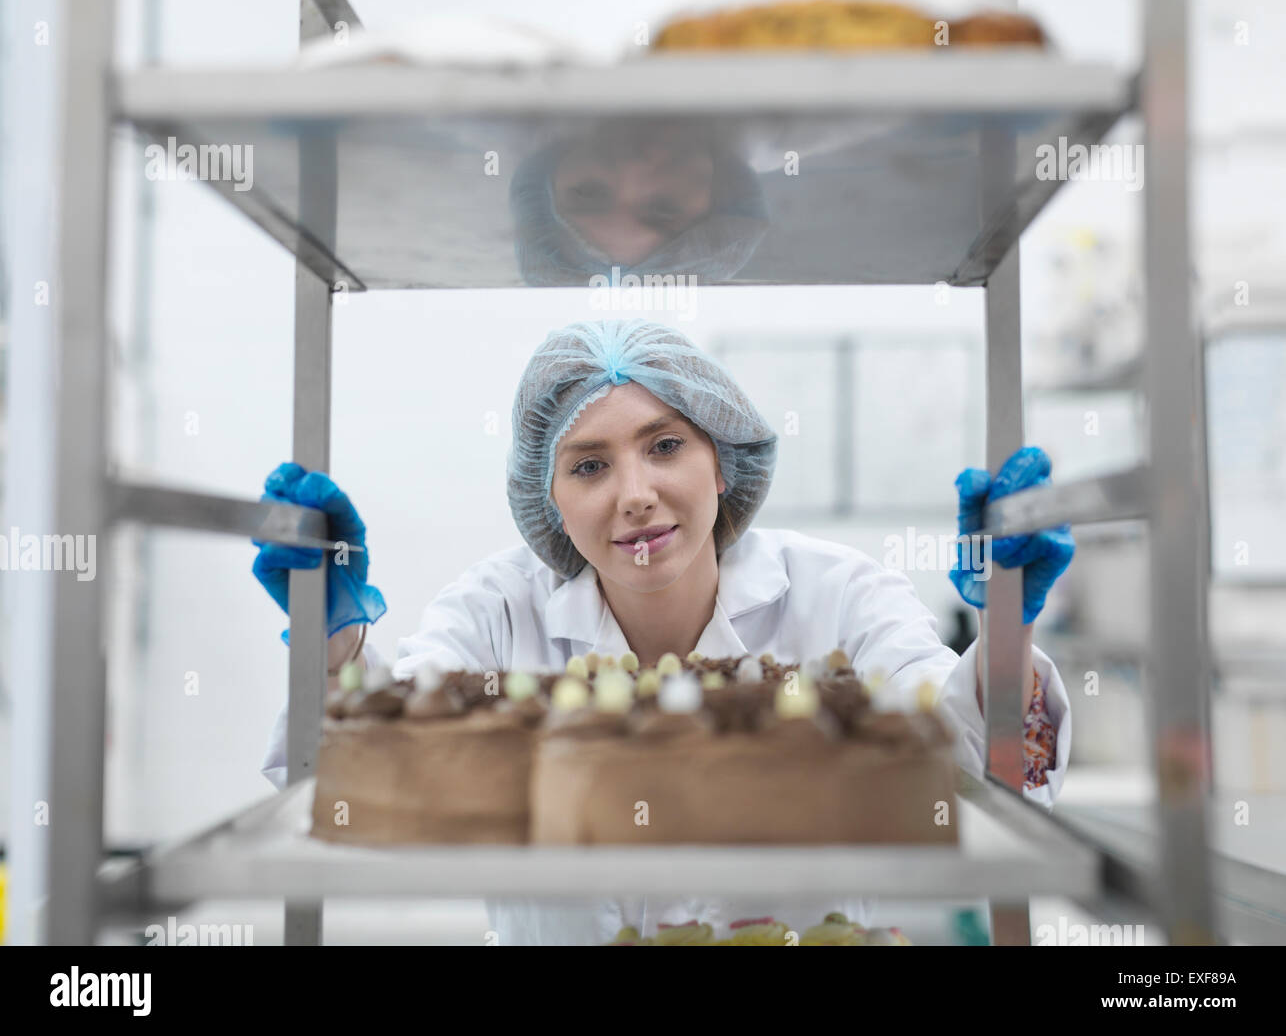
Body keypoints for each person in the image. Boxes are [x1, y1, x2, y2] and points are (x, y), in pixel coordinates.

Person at [255, 317, 1074, 945]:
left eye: (666, 446)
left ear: (721, 463)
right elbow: (374, 775)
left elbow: (968, 760)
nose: (635, 493)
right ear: (550, 499)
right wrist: (334, 637)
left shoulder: (839, 593)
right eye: (589, 465)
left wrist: (1007, 620)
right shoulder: (494, 612)